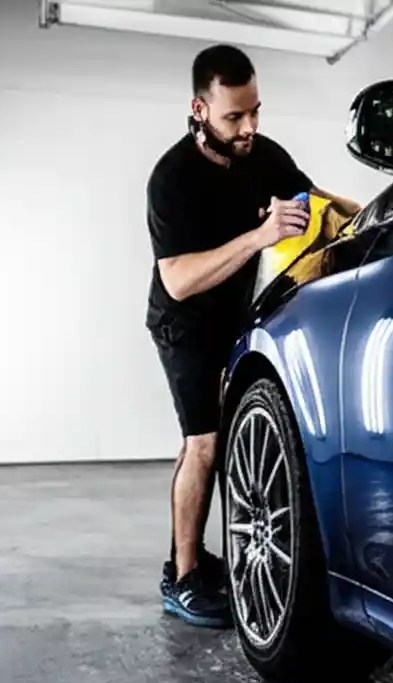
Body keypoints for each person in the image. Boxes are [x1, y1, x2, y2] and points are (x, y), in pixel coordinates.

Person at [145, 44, 361, 627]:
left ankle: (220, 556)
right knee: (204, 443)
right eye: (234, 116)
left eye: (255, 111)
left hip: (238, 316)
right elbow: (179, 280)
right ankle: (183, 575)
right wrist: (260, 237)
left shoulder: (263, 155)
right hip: (183, 323)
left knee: (238, 439)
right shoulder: (171, 179)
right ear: (199, 109)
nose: (249, 127)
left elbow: (316, 200)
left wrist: (373, 215)